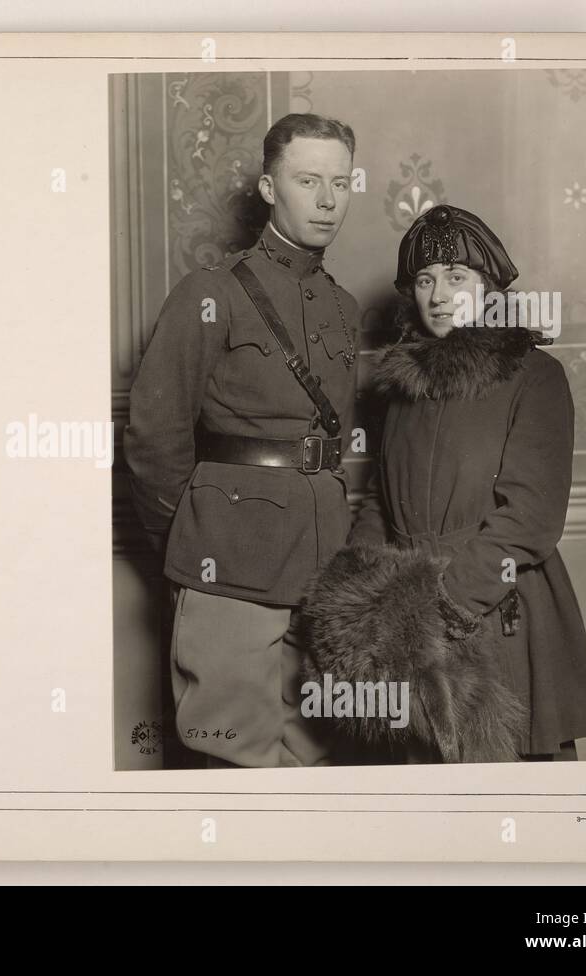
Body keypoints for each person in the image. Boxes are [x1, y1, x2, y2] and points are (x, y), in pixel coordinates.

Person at [301, 204, 586, 763]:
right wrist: (355, 597)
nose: (439, 294)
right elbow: (381, 501)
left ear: (489, 287)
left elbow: (530, 520)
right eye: (425, 279)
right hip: (406, 619)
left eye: (456, 277)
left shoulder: (536, 376)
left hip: (495, 609)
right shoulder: (401, 386)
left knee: (513, 801)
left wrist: (442, 607)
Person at [122, 113, 362, 768]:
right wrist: (190, 538)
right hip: (227, 559)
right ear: (266, 187)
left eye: (340, 182)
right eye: (307, 180)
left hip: (323, 563)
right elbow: (154, 433)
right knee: (230, 758)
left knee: (310, 759)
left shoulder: (341, 308)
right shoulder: (211, 294)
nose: (326, 199)